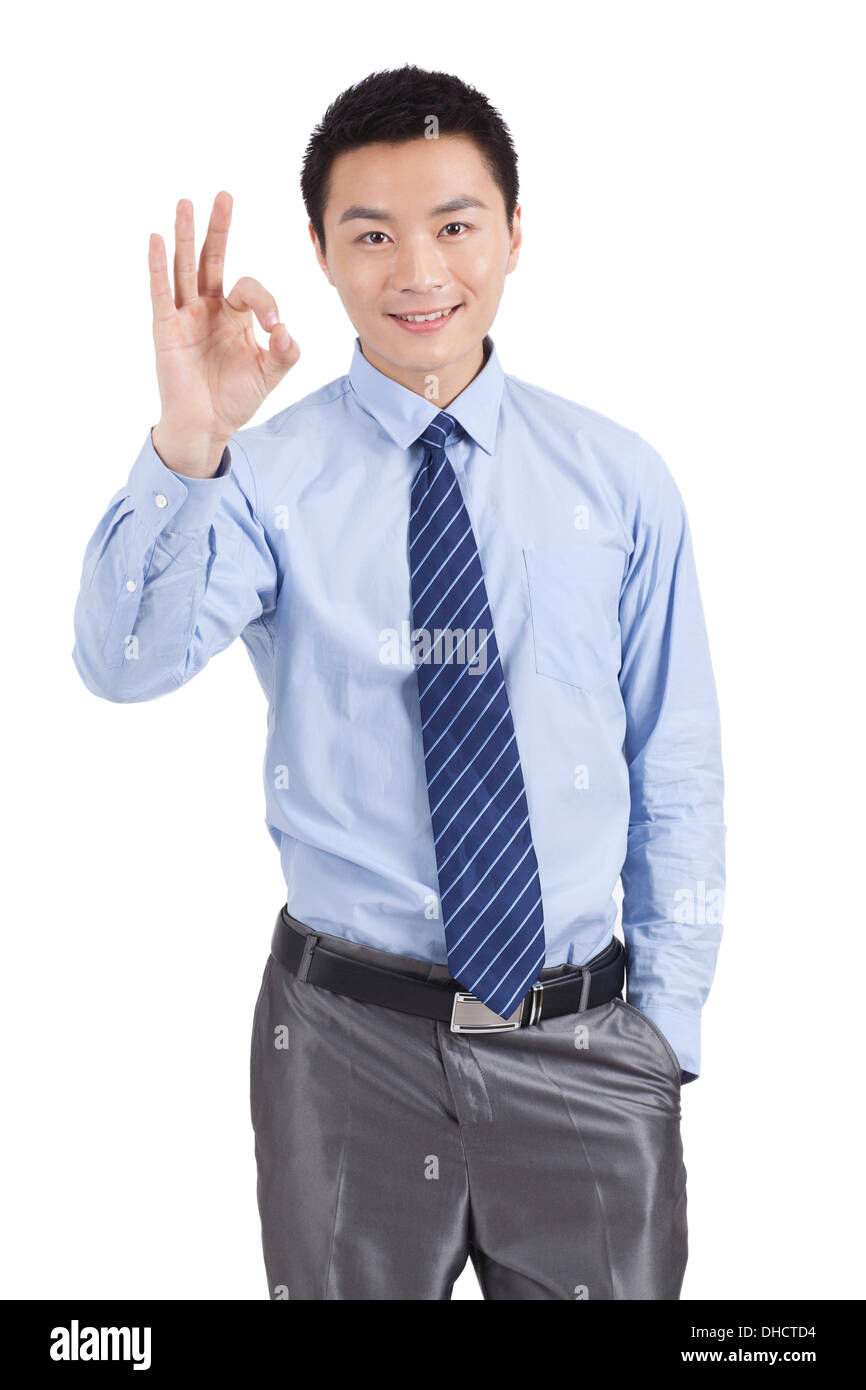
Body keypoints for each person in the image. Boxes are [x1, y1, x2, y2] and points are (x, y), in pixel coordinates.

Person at [71, 65, 725, 1301]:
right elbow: (122, 663)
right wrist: (190, 444)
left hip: (583, 1041)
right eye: (371, 235)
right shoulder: (262, 479)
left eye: (455, 225)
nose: (418, 270)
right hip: (344, 1048)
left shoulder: (617, 479)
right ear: (322, 252)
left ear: (514, 232)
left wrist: (663, 1033)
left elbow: (672, 756)